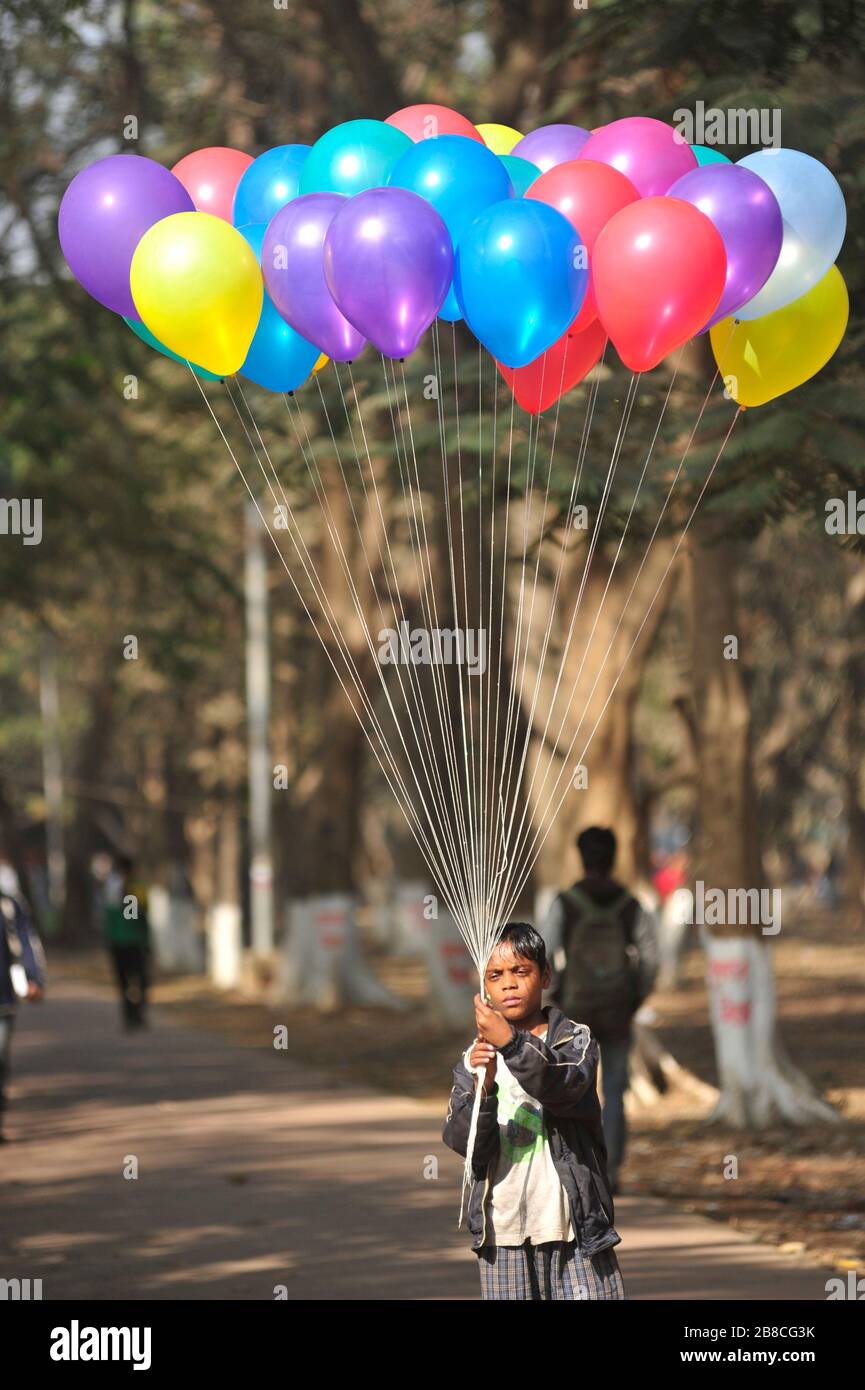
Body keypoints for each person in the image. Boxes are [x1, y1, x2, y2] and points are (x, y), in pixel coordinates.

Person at [442, 922, 625, 1301]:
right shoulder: (473, 1061)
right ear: (484, 988)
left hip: (572, 1225)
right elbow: (467, 1144)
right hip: (503, 1228)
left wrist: (510, 1044)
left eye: (520, 971)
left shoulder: (574, 1039)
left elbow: (563, 1088)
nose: (508, 984)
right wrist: (485, 1087)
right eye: (495, 976)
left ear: (544, 976)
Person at [542, 826, 658, 1194]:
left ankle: (575, 1169)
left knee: (573, 1090)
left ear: (581, 856)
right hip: (617, 1011)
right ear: (613, 857)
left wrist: (556, 992)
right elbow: (652, 958)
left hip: (575, 1011)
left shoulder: (565, 902)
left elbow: (542, 952)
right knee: (615, 1092)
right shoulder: (631, 904)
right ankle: (611, 1173)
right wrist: (635, 995)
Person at [0, 864, 46, 1141]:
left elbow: (27, 941)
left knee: (0, 1058)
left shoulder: (8, 905)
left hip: (3, 1000)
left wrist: (33, 978)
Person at [101, 853, 151, 1031]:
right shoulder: (124, 887)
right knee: (132, 981)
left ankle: (134, 1015)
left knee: (133, 982)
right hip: (129, 942)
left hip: (126, 942)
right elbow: (132, 915)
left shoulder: (123, 887)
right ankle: (132, 1016)